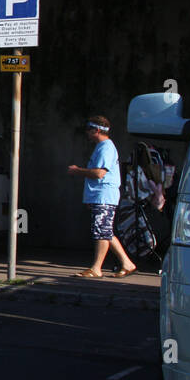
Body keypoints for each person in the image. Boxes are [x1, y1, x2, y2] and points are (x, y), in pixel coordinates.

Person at [67, 115, 136, 278]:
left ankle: (96, 268)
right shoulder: (103, 147)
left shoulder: (106, 148)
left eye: (89, 130)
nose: (87, 133)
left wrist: (77, 171)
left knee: (101, 232)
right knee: (105, 231)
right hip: (100, 197)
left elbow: (99, 173)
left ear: (97, 130)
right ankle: (127, 263)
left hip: (104, 196)